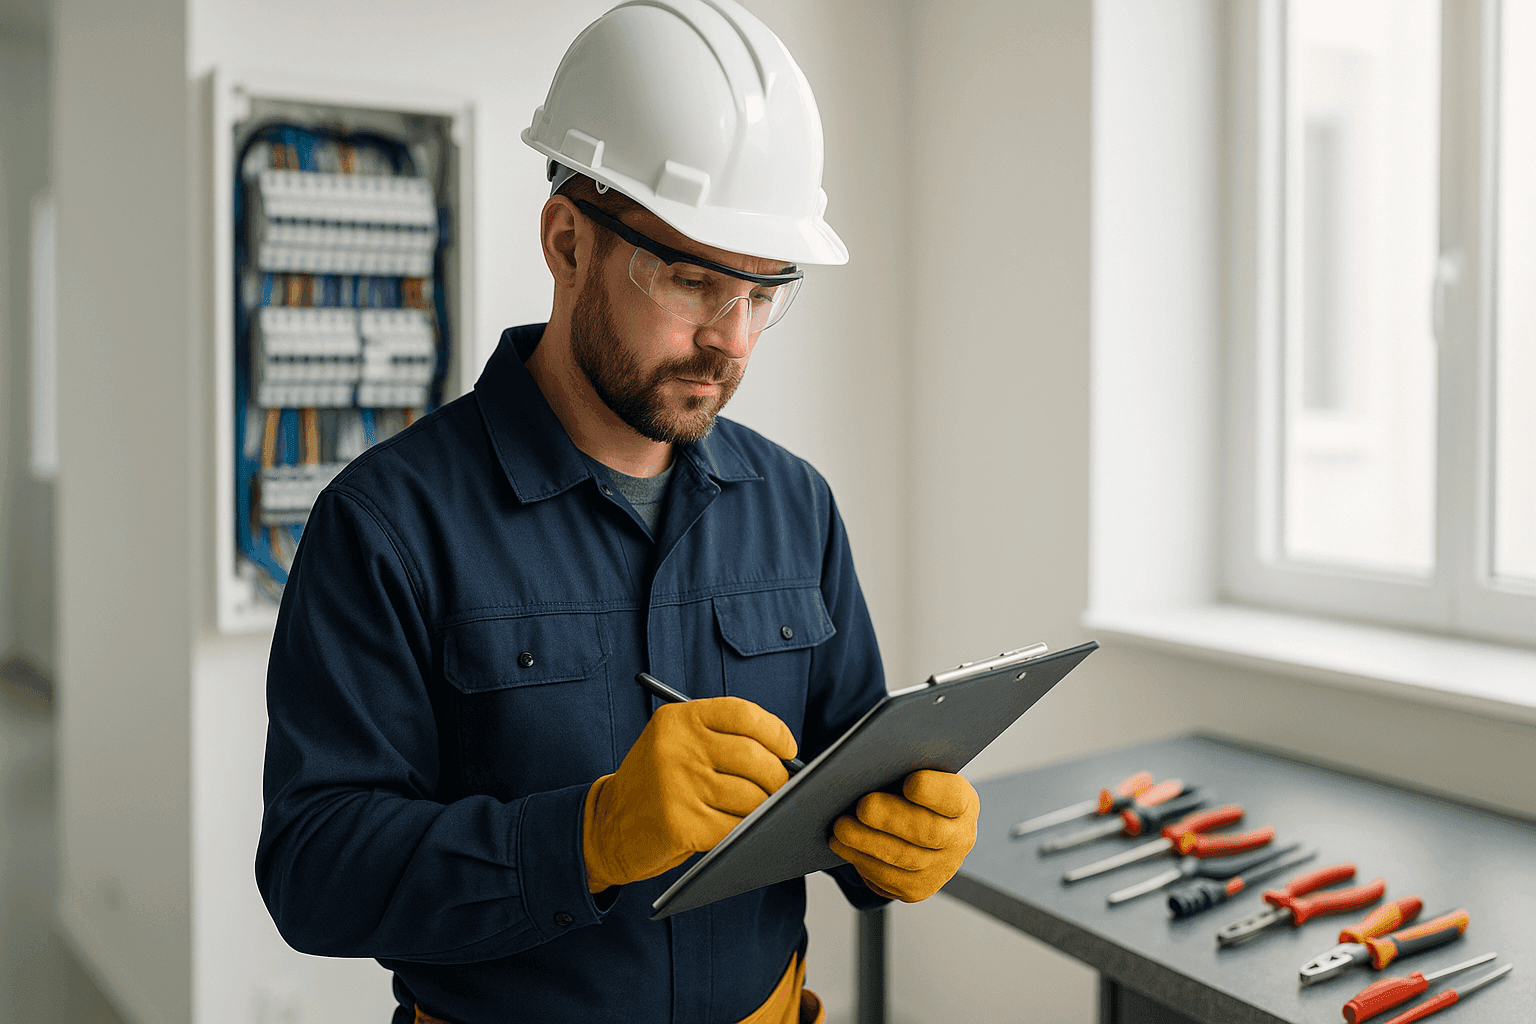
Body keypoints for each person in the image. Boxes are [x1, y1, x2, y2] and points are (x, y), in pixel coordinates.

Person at [255, 2, 979, 1022]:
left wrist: (903, 836)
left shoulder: (796, 506)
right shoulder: (387, 525)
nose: (733, 340)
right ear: (567, 244)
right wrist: (589, 835)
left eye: (765, 293)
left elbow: (844, 784)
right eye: (691, 280)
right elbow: (314, 872)